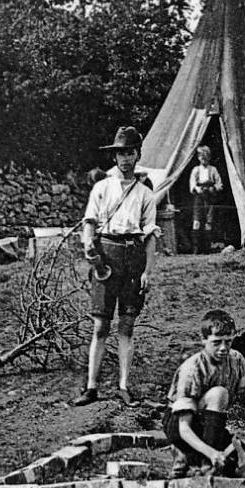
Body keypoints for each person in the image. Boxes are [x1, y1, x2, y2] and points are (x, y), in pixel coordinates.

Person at [71, 126, 161, 407]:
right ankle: (91, 386)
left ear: (137, 155)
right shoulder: (102, 188)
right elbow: (90, 223)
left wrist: (148, 270)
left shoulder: (145, 193)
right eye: (120, 153)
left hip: (133, 256)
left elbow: (150, 235)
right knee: (100, 325)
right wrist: (89, 247)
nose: (125, 158)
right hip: (106, 254)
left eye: (130, 152)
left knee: (127, 326)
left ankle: (123, 385)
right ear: (114, 157)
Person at [164, 310, 245, 477]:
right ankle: (198, 460)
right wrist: (212, 454)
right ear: (204, 340)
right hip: (181, 427)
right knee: (219, 394)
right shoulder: (192, 369)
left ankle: (193, 458)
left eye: (228, 342)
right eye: (216, 342)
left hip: (212, 428)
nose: (223, 348)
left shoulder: (236, 359)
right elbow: (184, 428)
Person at [189, 145, 224, 254]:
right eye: (201, 156)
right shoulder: (196, 170)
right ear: (198, 158)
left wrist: (213, 188)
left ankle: (207, 248)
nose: (203, 159)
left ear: (209, 157)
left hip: (210, 196)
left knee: (209, 221)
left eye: (205, 157)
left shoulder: (213, 170)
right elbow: (192, 183)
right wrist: (196, 188)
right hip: (199, 197)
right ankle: (196, 249)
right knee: (197, 221)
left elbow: (220, 184)